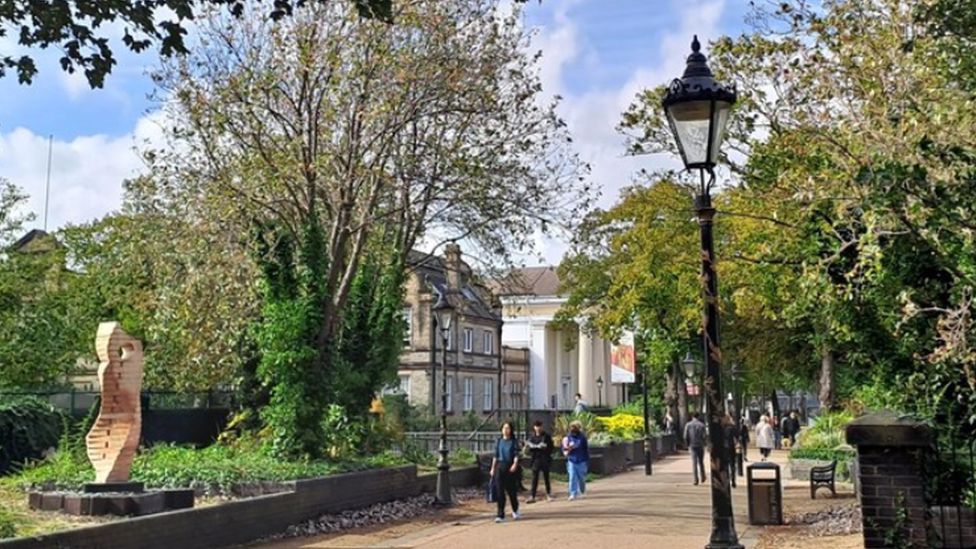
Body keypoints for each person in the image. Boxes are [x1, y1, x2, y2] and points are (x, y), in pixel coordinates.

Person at [490, 422, 521, 523]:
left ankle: (515, 509)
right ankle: (500, 514)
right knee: (500, 492)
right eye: (504, 428)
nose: (505, 430)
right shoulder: (499, 441)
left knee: (511, 491)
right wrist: (493, 468)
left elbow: (516, 454)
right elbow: (495, 455)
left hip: (510, 467)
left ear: (511, 430)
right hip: (500, 467)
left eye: (507, 428)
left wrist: (515, 464)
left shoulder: (514, 442)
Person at [524, 420, 554, 502]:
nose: (538, 428)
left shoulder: (546, 437)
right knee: (534, 478)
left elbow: (551, 447)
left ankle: (548, 494)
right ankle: (532, 496)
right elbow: (528, 449)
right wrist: (531, 447)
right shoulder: (532, 437)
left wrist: (545, 448)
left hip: (545, 459)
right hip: (535, 460)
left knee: (546, 477)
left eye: (539, 426)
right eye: (536, 426)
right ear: (534, 427)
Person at [562, 420, 589, 500]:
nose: (572, 429)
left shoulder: (582, 437)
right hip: (572, 460)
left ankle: (582, 491)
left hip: (581, 460)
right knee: (572, 477)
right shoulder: (568, 437)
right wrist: (567, 449)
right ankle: (573, 493)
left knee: (581, 478)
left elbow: (585, 449)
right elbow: (564, 448)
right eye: (571, 427)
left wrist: (587, 460)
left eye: (575, 427)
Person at [683, 412, 707, 485]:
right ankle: (703, 476)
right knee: (701, 462)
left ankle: (695, 479)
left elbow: (685, 436)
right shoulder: (702, 425)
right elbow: (705, 436)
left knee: (694, 463)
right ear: (698, 416)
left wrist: (687, 444)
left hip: (692, 445)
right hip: (700, 445)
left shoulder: (688, 425)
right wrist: (704, 443)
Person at [722, 413, 738, 488]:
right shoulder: (732, 427)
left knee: (725, 465)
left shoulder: (721, 428)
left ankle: (726, 480)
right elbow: (737, 436)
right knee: (732, 464)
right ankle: (733, 480)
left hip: (724, 448)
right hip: (731, 447)